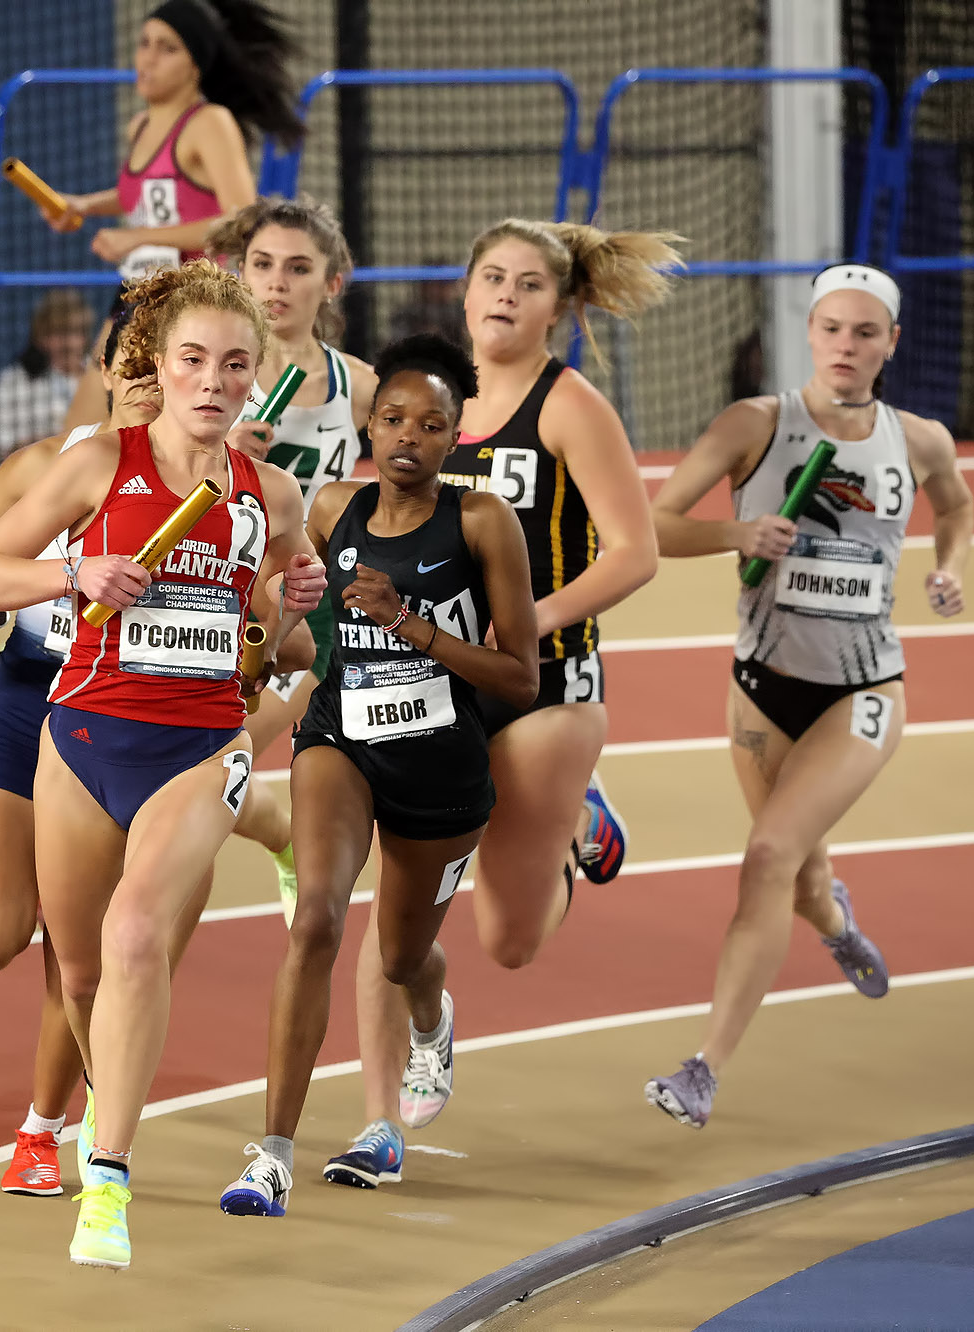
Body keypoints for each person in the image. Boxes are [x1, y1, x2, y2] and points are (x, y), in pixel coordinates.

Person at [0, 260, 326, 1269]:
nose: (212, 381)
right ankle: (93, 1117)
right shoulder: (92, 468)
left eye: (233, 365)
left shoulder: (270, 492)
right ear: (156, 368)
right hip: (77, 739)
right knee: (77, 976)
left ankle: (106, 1181)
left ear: (254, 379)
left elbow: (272, 630)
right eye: (193, 360)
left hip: (200, 748)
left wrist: (292, 595)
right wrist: (75, 570)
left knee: (131, 936)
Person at [323, 218, 678, 1188]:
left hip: (542, 685)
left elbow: (634, 551)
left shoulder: (568, 408)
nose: (503, 296)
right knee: (393, 901)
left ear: (557, 310)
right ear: (464, 286)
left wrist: (521, 627)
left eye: (527, 285)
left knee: (508, 941)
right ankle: (374, 1123)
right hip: (424, 680)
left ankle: (569, 821)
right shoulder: (412, 399)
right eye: (490, 276)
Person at [644, 263, 974, 1129]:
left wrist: (948, 568)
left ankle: (703, 1068)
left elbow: (959, 506)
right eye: (832, 328)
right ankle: (835, 921)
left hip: (864, 691)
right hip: (761, 687)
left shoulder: (921, 439)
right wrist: (735, 532)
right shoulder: (755, 425)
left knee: (767, 855)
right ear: (810, 333)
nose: (847, 346)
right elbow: (651, 524)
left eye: (866, 332)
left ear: (891, 344)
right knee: (799, 873)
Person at [219, 333, 539, 1217]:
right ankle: (274, 1153)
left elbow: (521, 675)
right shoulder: (330, 511)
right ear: (368, 423)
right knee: (316, 919)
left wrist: (414, 628)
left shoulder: (482, 522)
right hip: (341, 743)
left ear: (454, 435)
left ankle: (433, 1019)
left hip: (442, 768)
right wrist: (266, 635)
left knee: (400, 958)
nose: (408, 436)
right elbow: (293, 627)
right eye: (393, 418)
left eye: (431, 424)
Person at [210, 194, 376, 918]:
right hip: (208, 590)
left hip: (308, 613)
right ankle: (277, 831)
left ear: (331, 284)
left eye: (298, 268)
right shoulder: (208, 377)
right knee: (190, 766)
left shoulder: (360, 388)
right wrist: (220, 456)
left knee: (216, 758)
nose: (277, 283)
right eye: (263, 264)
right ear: (239, 272)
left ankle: (278, 837)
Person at [46, 0, 302, 432]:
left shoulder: (209, 123)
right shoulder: (141, 126)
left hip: (194, 302)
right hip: (139, 295)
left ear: (195, 65)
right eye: (144, 43)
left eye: (167, 48)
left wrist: (140, 237)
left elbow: (241, 218)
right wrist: (86, 205)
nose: (147, 57)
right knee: (81, 434)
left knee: (161, 438)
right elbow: (143, 193)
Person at [0, 290, 92, 468]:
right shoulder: (15, 382)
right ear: (41, 336)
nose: (70, 343)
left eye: (77, 332)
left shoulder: (99, 378)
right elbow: (1, 448)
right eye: (60, 333)